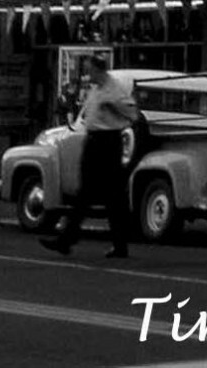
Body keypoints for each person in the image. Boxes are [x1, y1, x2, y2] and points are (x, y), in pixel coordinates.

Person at [40, 55, 137, 259]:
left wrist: (114, 107)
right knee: (88, 194)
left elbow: (132, 113)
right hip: (93, 140)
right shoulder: (96, 89)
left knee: (110, 196)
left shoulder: (114, 89)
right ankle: (70, 239)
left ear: (99, 70)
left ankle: (73, 240)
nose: (87, 74)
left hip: (108, 142)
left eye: (90, 70)